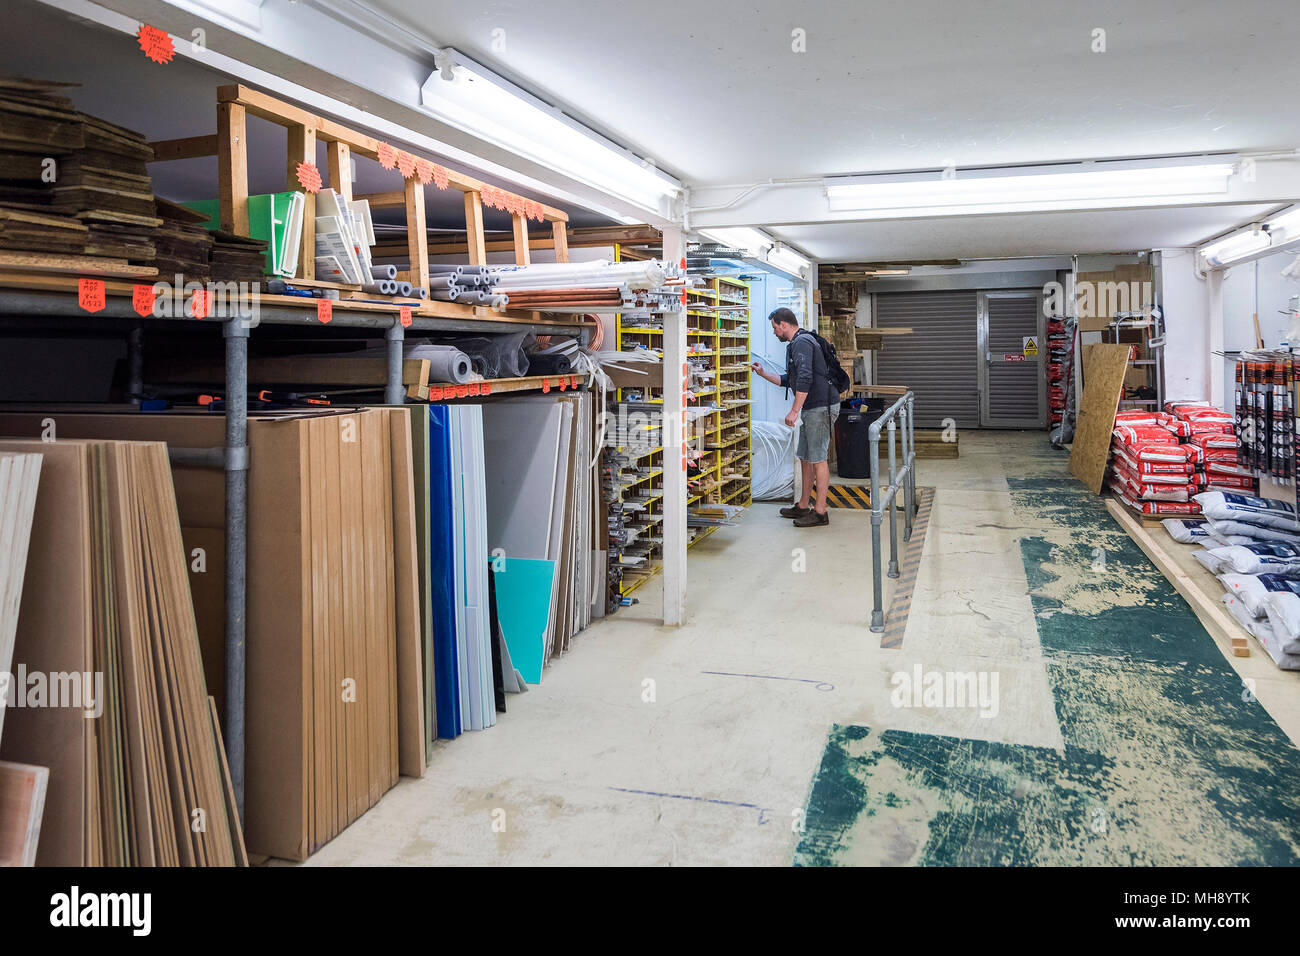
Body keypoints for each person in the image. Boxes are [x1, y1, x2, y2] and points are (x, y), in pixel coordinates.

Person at [751, 307, 841, 527]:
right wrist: (763, 373)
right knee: (805, 456)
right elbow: (788, 379)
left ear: (783, 324)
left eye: (774, 328)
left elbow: (805, 378)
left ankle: (820, 512)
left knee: (818, 458)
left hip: (821, 407)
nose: (774, 333)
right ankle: (803, 505)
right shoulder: (798, 343)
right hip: (813, 408)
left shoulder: (801, 343)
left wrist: (793, 410)